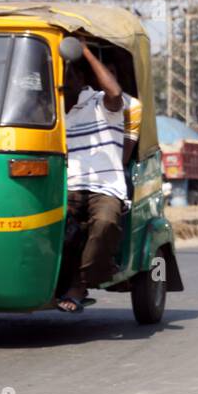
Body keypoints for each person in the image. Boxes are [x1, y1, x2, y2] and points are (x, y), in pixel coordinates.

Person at [56, 43, 128, 313]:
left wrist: (82, 50)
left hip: (104, 186)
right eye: (62, 77)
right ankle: (57, 283)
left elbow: (115, 91)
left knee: (105, 222)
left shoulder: (101, 104)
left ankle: (81, 284)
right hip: (68, 185)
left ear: (82, 79)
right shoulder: (55, 114)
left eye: (71, 75)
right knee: (51, 226)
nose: (66, 81)